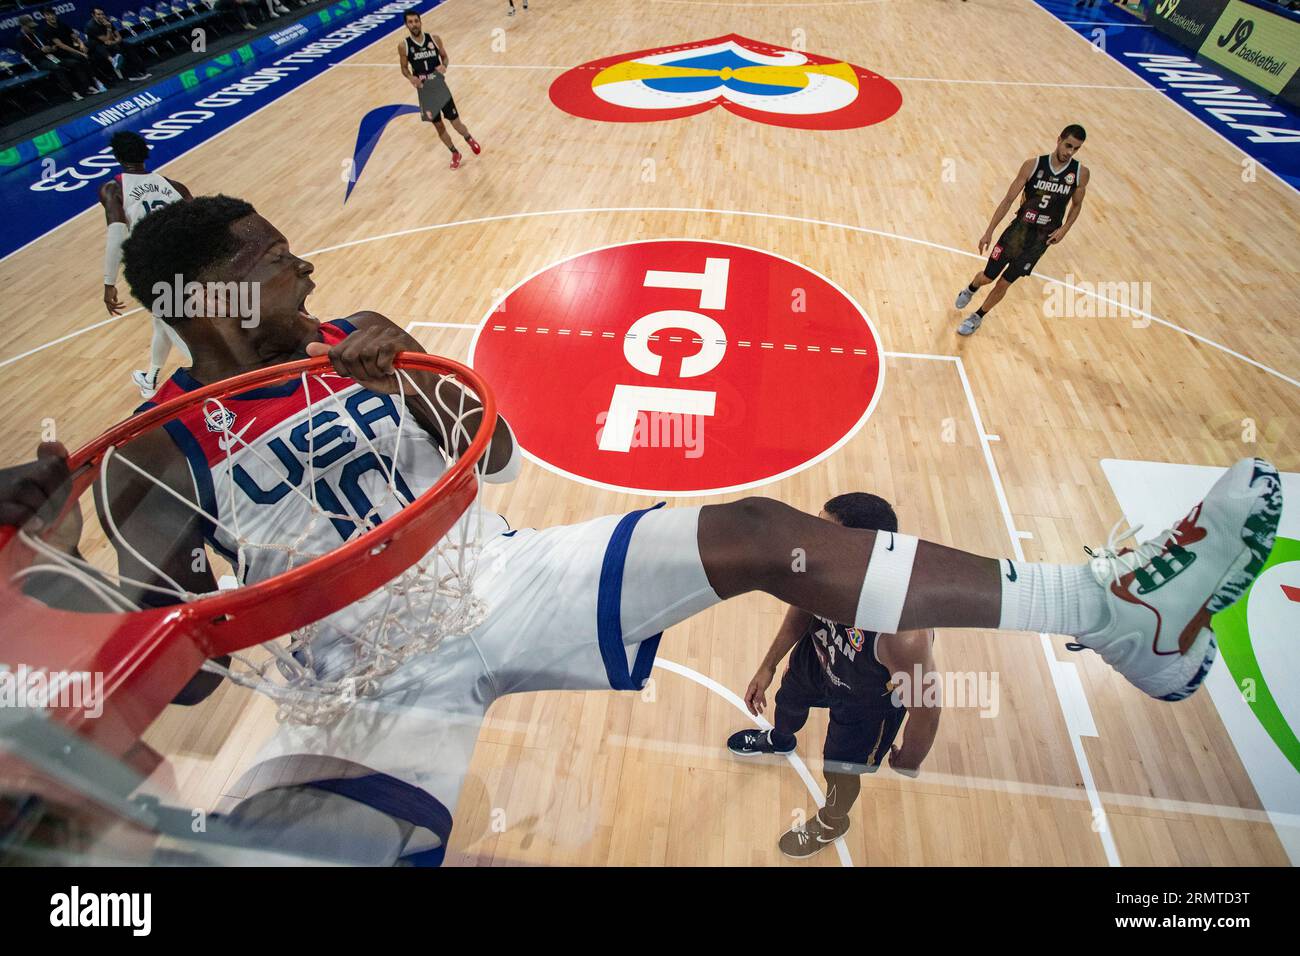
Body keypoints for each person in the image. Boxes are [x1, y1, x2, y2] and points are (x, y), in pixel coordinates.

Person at [7, 194, 1281, 865]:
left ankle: (1123, 616)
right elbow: (182, 676)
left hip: (491, 576)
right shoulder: (155, 454)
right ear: (210, 294)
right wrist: (65, 571)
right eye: (276, 260)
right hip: (353, 681)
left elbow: (493, 459)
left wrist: (427, 387)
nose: (308, 273)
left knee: (761, 533)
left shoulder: (356, 345)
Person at [727, 493, 939, 859]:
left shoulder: (903, 630)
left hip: (866, 700)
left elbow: (927, 707)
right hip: (822, 653)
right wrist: (768, 664)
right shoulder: (820, 564)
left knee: (839, 767)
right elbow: (803, 608)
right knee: (788, 699)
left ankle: (833, 820)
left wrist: (911, 759)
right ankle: (780, 739)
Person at [953, 125, 1090, 336]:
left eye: (1076, 148)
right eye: (1068, 145)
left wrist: (1065, 228)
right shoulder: (1033, 166)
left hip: (1041, 239)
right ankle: (971, 287)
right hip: (1018, 231)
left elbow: (1077, 205)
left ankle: (977, 316)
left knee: (1005, 283)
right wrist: (989, 231)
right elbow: (1008, 199)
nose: (1070, 152)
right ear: (1058, 140)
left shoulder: (1080, 174)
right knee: (988, 277)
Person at [97, 131, 194, 398]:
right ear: (145, 154)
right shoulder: (174, 185)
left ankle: (208, 379)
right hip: (190, 261)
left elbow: (116, 235)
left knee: (173, 325)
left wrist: (109, 282)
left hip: (156, 266)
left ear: (116, 157)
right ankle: (150, 377)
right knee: (162, 321)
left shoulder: (114, 188)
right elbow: (199, 224)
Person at [398, 10, 481, 170]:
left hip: (440, 87)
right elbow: (403, 68)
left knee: (456, 123)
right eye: (410, 22)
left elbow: (445, 57)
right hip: (425, 92)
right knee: (439, 127)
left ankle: (469, 138)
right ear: (406, 24)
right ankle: (455, 153)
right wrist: (410, 77)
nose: (414, 24)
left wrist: (445, 66)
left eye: (416, 21)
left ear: (420, 22)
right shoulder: (404, 46)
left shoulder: (434, 39)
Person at [17, 14, 100, 101]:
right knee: (57, 68)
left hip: (51, 56)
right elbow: (28, 55)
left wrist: (52, 48)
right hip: (39, 61)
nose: (33, 29)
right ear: (23, 26)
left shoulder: (36, 33)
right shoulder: (20, 38)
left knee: (75, 63)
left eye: (33, 27)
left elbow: (47, 43)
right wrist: (41, 51)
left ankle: (87, 87)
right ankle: (72, 93)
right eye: (30, 28)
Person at [39, 7, 110, 91]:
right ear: (44, 17)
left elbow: (75, 36)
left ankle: (101, 75)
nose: (51, 17)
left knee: (91, 47)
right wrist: (80, 53)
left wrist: (81, 44)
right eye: (48, 15)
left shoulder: (62, 24)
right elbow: (62, 45)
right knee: (80, 59)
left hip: (73, 49)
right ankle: (91, 84)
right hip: (61, 54)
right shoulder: (47, 30)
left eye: (52, 14)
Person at [83, 8, 151, 83]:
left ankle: (142, 71)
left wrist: (115, 41)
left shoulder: (107, 20)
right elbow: (106, 40)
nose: (101, 16)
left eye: (102, 14)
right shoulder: (91, 26)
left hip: (111, 42)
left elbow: (118, 36)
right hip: (97, 47)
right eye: (98, 14)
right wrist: (108, 28)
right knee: (117, 50)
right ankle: (132, 75)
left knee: (127, 45)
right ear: (93, 15)